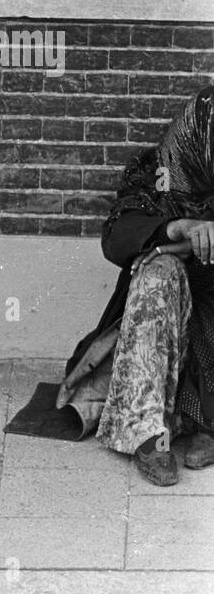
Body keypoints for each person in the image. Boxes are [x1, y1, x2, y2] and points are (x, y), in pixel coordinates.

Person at [59, 88, 214, 485]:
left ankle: (209, 425)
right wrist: (174, 230)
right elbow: (117, 238)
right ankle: (149, 436)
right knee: (157, 270)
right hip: (169, 340)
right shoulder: (159, 175)